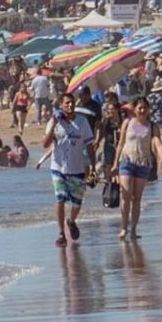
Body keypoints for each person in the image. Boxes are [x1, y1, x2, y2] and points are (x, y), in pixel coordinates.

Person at [44, 92, 94, 247]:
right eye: (67, 103)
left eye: (72, 103)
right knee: (60, 198)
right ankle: (61, 232)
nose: (70, 105)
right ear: (61, 105)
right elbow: (45, 144)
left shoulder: (82, 121)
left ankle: (71, 221)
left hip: (77, 167)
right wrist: (53, 123)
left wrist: (92, 167)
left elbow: (89, 146)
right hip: (58, 167)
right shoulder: (55, 122)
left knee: (77, 202)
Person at [114, 96, 162, 241]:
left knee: (137, 199)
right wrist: (115, 164)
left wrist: (161, 158)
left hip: (143, 163)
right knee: (126, 196)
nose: (142, 110)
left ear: (148, 110)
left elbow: (157, 143)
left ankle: (133, 230)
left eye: (145, 108)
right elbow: (121, 144)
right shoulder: (127, 123)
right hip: (127, 160)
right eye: (139, 108)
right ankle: (124, 227)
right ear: (134, 109)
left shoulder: (152, 126)